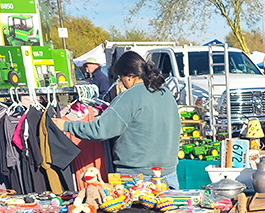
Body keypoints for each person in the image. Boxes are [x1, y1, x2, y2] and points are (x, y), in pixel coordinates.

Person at [55, 51, 181, 187]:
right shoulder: (165, 94)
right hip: (169, 175)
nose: (121, 82)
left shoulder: (129, 97)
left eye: (120, 78)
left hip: (138, 179)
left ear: (129, 76)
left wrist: (67, 125)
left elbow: (99, 130)